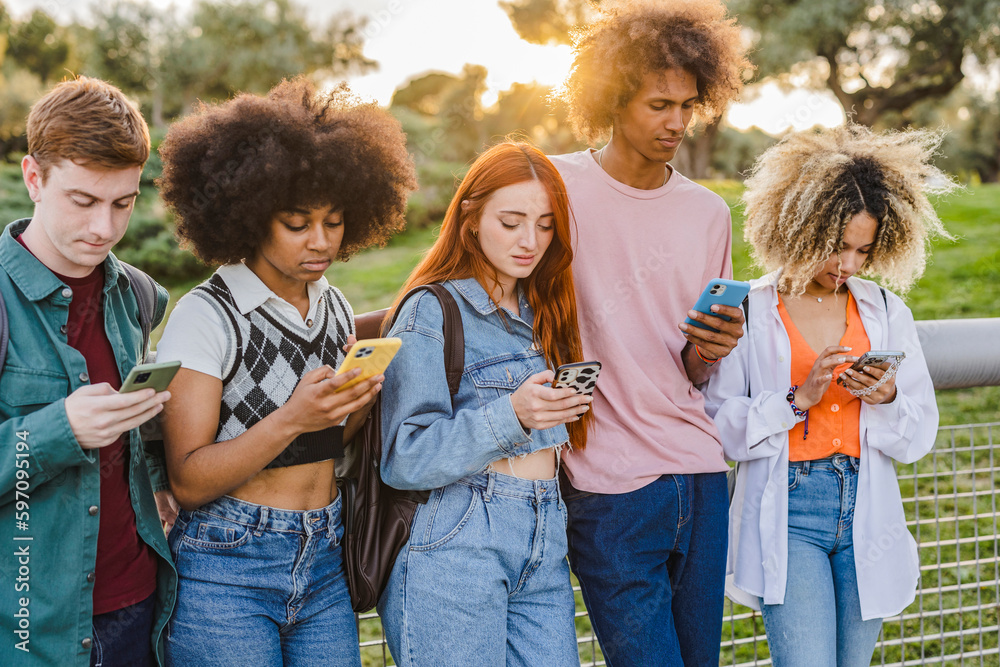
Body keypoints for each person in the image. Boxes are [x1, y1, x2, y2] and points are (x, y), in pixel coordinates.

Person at [153, 79, 416, 666]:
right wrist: (294, 416)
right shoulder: (207, 316)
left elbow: (323, 444)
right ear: (250, 217)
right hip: (228, 563)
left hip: (323, 558)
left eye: (334, 221)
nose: (320, 242)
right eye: (297, 224)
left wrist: (353, 405)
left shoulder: (334, 305)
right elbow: (189, 480)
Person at [703, 124, 955, 666]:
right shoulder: (750, 309)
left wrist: (888, 397)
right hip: (790, 510)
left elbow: (919, 435)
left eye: (863, 250)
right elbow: (720, 426)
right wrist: (797, 399)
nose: (849, 266)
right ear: (799, 226)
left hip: (867, 505)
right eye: (838, 247)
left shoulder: (885, 310)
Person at [547, 1, 753, 664]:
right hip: (606, 486)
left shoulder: (708, 213)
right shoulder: (554, 187)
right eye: (659, 104)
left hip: (700, 474)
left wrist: (710, 348)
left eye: (688, 106)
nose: (676, 123)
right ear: (612, 99)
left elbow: (691, 367)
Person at [376, 141, 593, 667]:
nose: (530, 241)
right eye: (511, 222)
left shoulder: (543, 309)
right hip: (458, 540)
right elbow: (404, 457)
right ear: (471, 219)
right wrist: (512, 415)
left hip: (543, 536)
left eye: (545, 225)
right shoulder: (431, 310)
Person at [0, 76, 176, 666]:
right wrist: (61, 430)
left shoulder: (139, 296)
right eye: (83, 201)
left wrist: (157, 478)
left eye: (123, 203)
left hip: (141, 608)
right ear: (33, 178)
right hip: (29, 631)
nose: (104, 228)